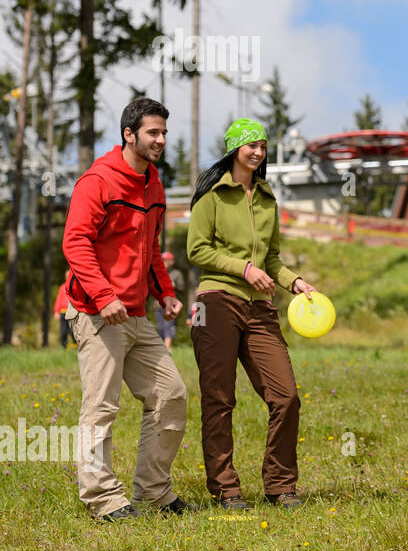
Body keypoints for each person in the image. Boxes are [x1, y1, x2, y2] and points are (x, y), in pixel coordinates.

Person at [62, 97, 189, 522]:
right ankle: (103, 500)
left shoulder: (154, 184)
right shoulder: (97, 182)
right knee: (101, 405)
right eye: (153, 132)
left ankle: (153, 492)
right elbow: (75, 243)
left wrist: (165, 293)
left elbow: (150, 248)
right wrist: (104, 296)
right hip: (97, 311)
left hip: (135, 314)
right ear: (129, 134)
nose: (161, 140)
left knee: (170, 395)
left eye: (165, 133)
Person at [187, 118, 316, 510]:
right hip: (214, 303)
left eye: (262, 145)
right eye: (251, 145)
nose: (258, 152)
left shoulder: (266, 196)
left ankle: (279, 485)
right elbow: (197, 250)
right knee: (219, 399)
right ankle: (225, 489)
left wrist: (294, 283)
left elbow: (272, 258)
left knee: (286, 396)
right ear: (234, 149)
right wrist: (243, 269)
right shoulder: (212, 194)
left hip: (260, 308)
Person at [154, 252, 178, 349]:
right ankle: (160, 350)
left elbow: (182, 288)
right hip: (157, 305)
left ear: (171, 261)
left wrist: (172, 286)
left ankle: (167, 350)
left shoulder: (176, 273)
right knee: (160, 328)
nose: (164, 262)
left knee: (168, 327)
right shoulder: (156, 273)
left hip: (171, 305)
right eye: (163, 260)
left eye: (166, 260)